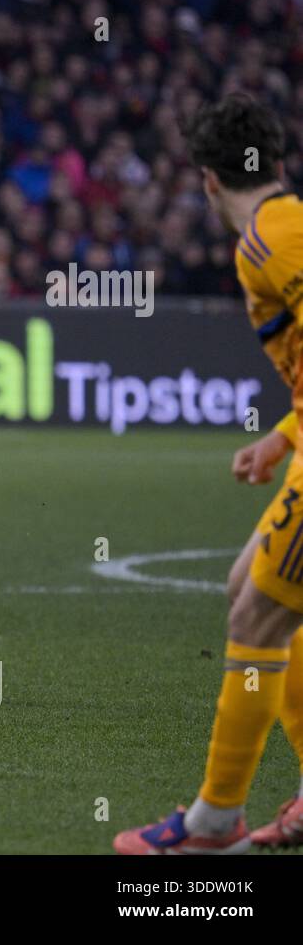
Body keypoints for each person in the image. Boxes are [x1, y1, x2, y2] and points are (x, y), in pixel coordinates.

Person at [114, 93, 303, 853]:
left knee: (257, 614)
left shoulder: (270, 240)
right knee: (245, 587)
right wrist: (286, 436)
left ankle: (211, 824)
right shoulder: (282, 225)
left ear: (207, 181)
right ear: (277, 162)